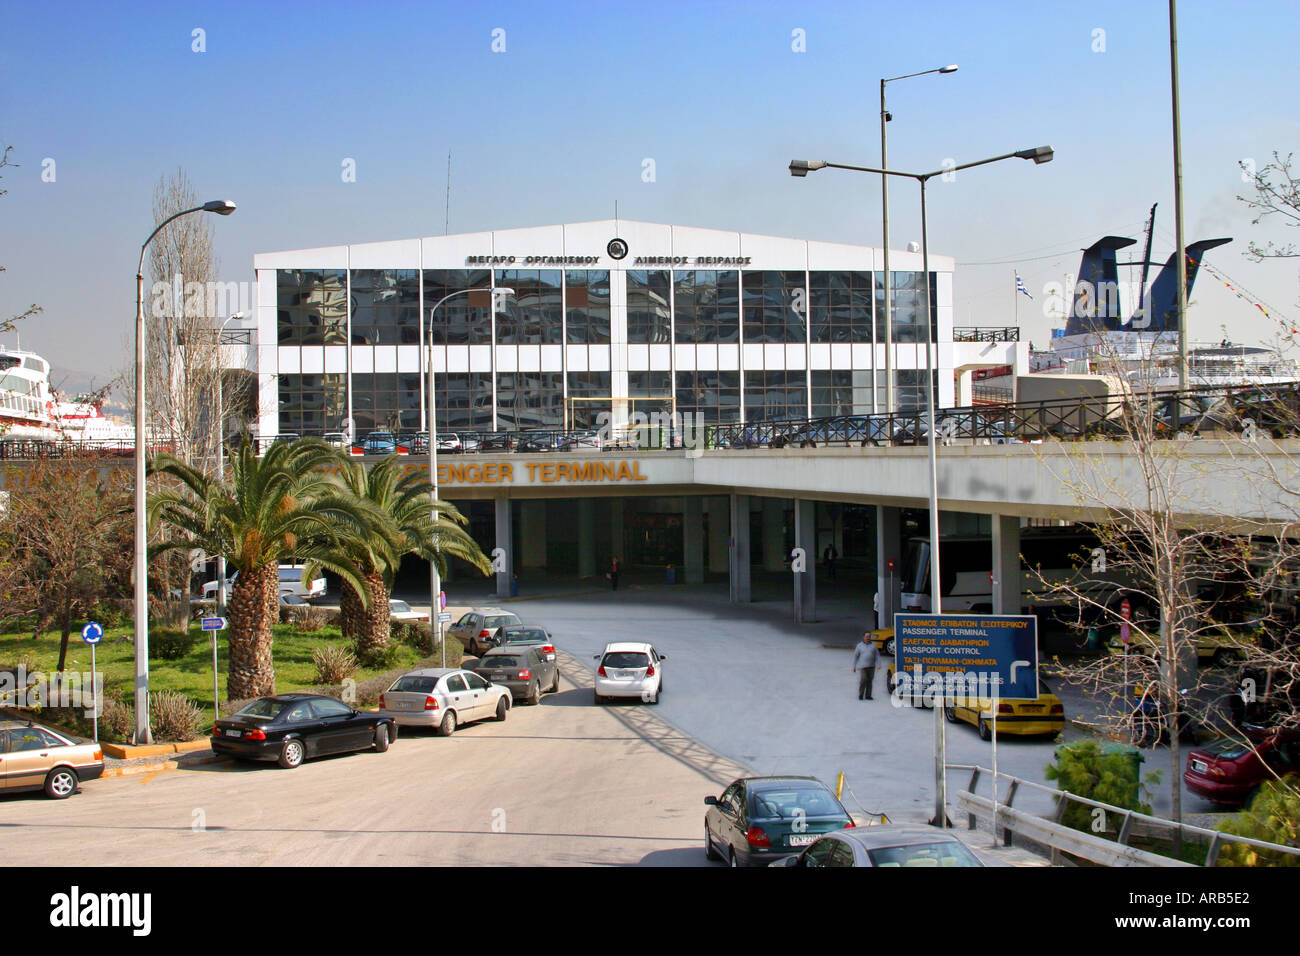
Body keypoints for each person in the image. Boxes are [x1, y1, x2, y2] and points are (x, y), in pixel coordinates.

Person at [851, 632, 880, 700]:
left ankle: (868, 695)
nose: (868, 638)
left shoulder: (873, 646)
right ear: (863, 637)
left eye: (869, 636)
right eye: (866, 637)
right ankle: (861, 694)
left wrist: (879, 664)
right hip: (863, 666)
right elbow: (856, 656)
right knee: (863, 680)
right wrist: (854, 666)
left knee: (870, 681)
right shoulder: (859, 646)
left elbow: (877, 655)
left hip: (871, 666)